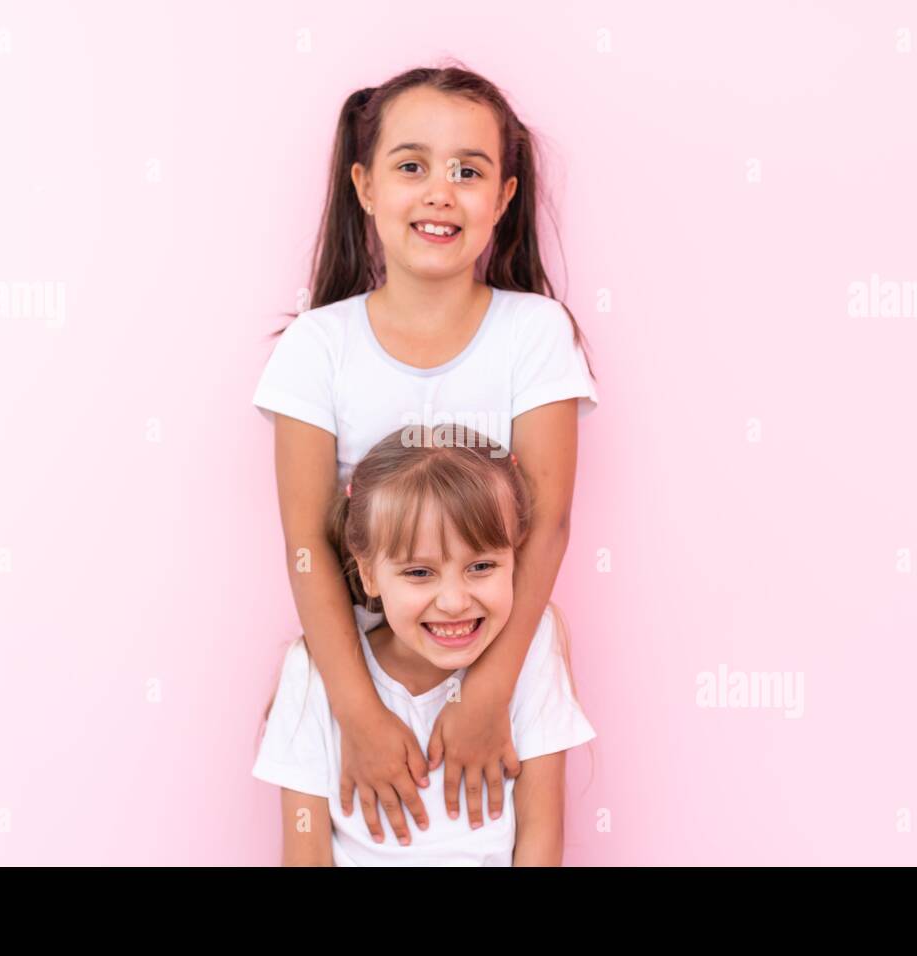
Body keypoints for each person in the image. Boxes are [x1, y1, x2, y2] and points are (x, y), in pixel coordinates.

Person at [252, 63, 598, 846]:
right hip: (367, 663)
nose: (440, 191)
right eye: (412, 167)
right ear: (365, 187)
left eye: (467, 171)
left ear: (504, 198)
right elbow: (308, 542)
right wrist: (359, 714)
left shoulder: (535, 333)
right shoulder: (318, 348)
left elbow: (547, 524)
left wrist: (487, 695)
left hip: (494, 648)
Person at [253, 425, 596, 865]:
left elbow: (540, 843)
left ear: (517, 554)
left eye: (482, 566)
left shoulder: (533, 649)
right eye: (419, 573)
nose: (453, 601)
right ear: (370, 573)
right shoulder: (310, 672)